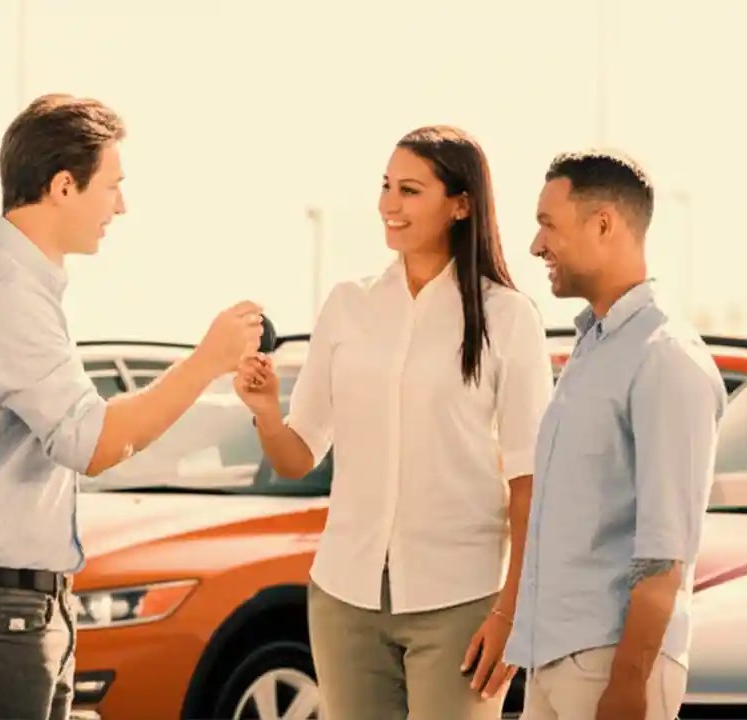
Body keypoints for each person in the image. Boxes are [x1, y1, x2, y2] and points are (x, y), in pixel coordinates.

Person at [0, 93, 264, 720]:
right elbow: (91, 444)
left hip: (17, 608)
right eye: (112, 187)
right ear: (64, 186)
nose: (121, 206)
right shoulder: (5, 293)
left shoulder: (15, 284)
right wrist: (207, 361)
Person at [234, 125, 554, 719]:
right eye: (386, 186)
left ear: (461, 205)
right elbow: (298, 455)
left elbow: (529, 483)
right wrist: (265, 413)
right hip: (344, 595)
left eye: (410, 190)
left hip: (461, 599)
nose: (388, 204)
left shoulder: (509, 319)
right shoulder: (348, 306)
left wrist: (514, 612)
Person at [503, 150, 726, 720]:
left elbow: (664, 552)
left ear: (602, 223)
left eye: (547, 224)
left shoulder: (664, 356)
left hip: (612, 667)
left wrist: (627, 685)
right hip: (556, 662)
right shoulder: (596, 344)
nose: (535, 245)